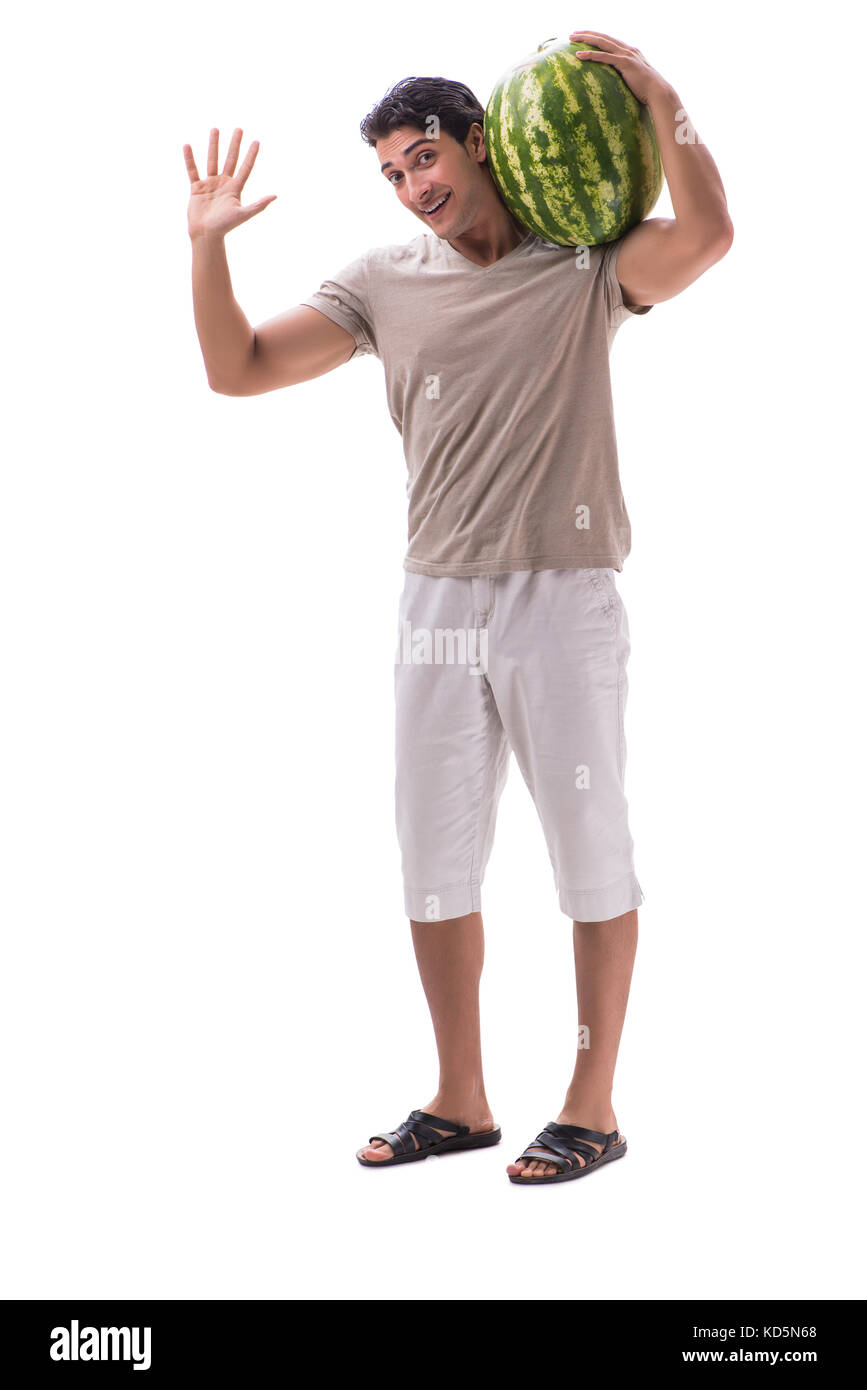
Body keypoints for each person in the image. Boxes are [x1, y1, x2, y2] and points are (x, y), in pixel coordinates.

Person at [185, 29, 733, 1185]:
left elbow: (712, 236)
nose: (412, 186)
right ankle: (461, 1098)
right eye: (390, 172)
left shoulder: (586, 266)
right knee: (433, 859)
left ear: (480, 144)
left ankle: (593, 1102)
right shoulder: (383, 282)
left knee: (591, 849)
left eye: (423, 155)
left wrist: (665, 102)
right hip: (433, 597)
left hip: (562, 596)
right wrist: (206, 251)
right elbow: (234, 368)